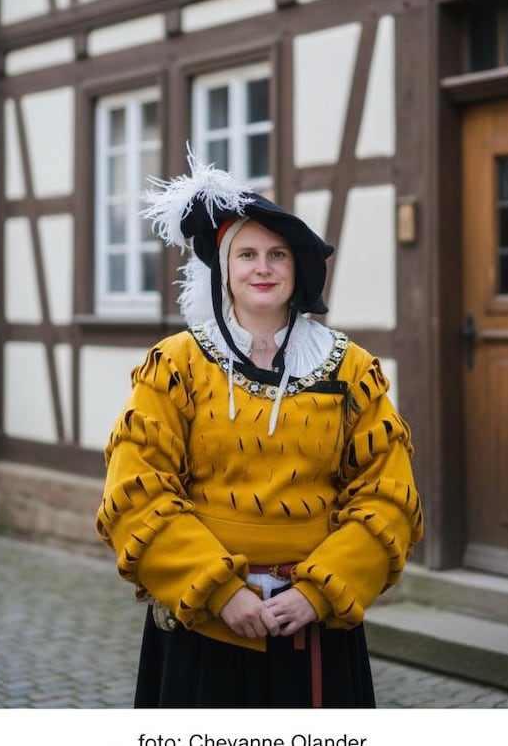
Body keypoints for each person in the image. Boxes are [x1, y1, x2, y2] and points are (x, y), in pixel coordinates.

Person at [96, 149, 424, 708]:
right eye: (246, 253)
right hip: (205, 626)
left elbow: (388, 498)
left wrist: (318, 592)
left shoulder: (351, 370)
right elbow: (137, 495)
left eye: (278, 254)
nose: (263, 267)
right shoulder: (175, 365)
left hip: (315, 630)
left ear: (297, 271)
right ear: (223, 269)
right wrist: (220, 591)